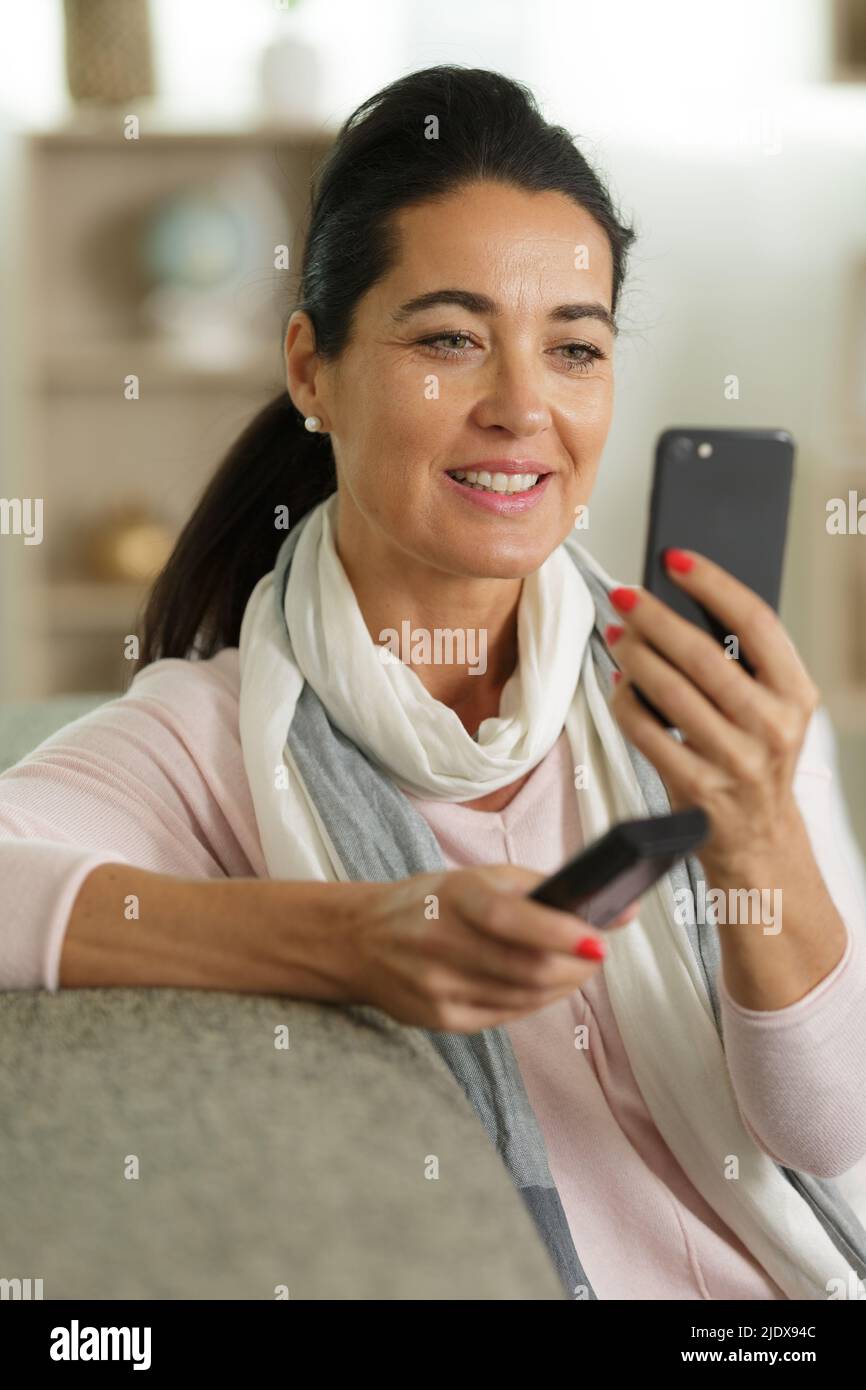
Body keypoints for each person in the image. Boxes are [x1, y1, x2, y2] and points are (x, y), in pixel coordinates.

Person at [2, 65, 865, 1301]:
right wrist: (356, 940)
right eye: (450, 340)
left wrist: (758, 835)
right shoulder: (208, 741)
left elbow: (832, 1138)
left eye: (574, 347)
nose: (522, 407)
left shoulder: (712, 701)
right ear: (311, 368)